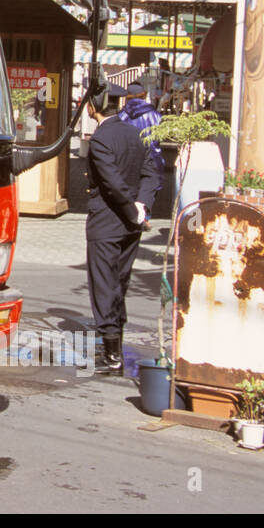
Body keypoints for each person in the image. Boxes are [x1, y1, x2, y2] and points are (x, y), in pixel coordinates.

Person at [84, 81, 162, 372]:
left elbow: (111, 182)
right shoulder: (135, 133)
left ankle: (111, 353)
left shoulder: (101, 139)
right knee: (120, 282)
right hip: (131, 225)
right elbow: (151, 174)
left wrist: (131, 210)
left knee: (104, 285)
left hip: (107, 221)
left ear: (93, 107)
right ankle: (114, 344)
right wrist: (141, 208)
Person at [118, 80, 163, 176]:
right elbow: (160, 138)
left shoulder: (121, 115)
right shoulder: (155, 115)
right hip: (151, 161)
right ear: (143, 96)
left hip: (127, 163)